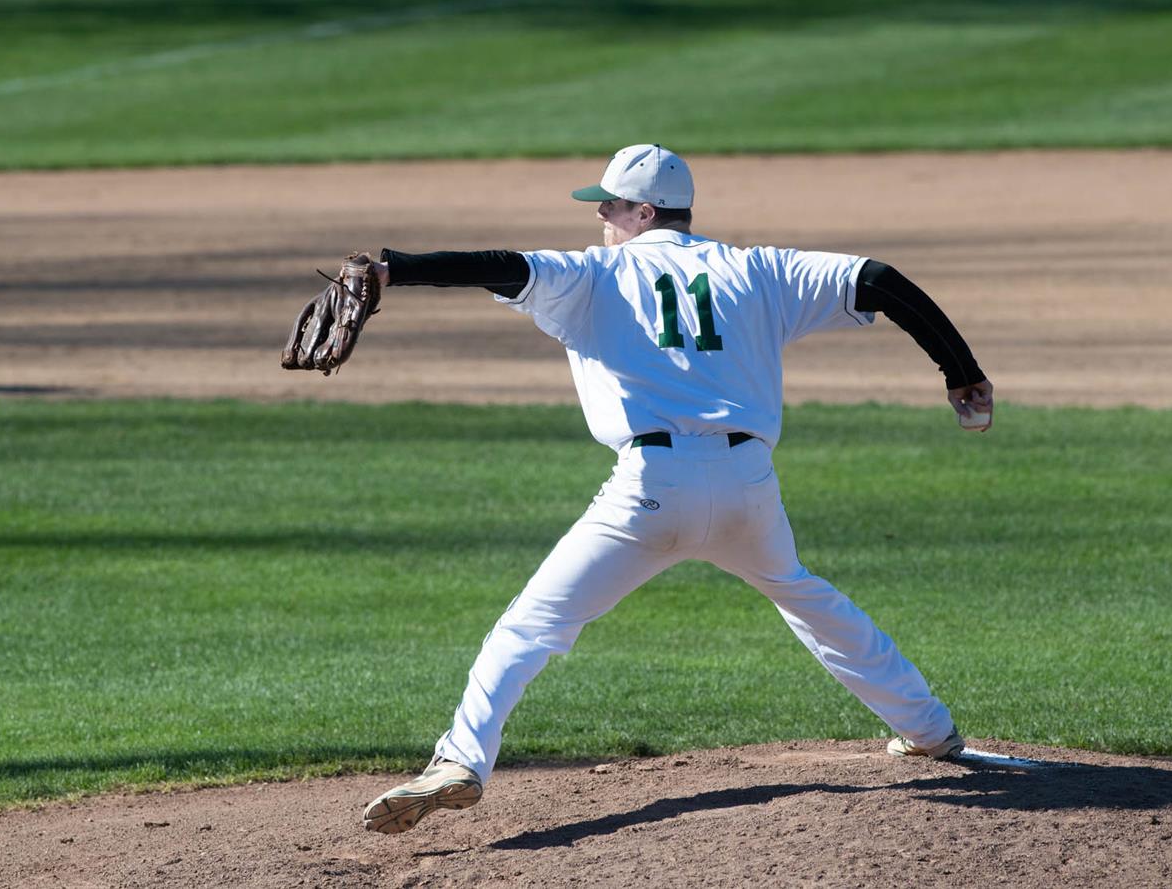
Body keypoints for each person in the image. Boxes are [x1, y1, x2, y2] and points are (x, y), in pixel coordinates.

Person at [358, 144, 993, 835]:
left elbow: (501, 266)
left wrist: (397, 271)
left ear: (645, 211)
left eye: (610, 204)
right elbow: (881, 280)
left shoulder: (593, 274)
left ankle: (460, 761)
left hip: (649, 489)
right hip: (749, 486)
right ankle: (929, 730)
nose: (599, 214)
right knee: (805, 597)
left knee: (531, 627)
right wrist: (959, 371)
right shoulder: (758, 269)